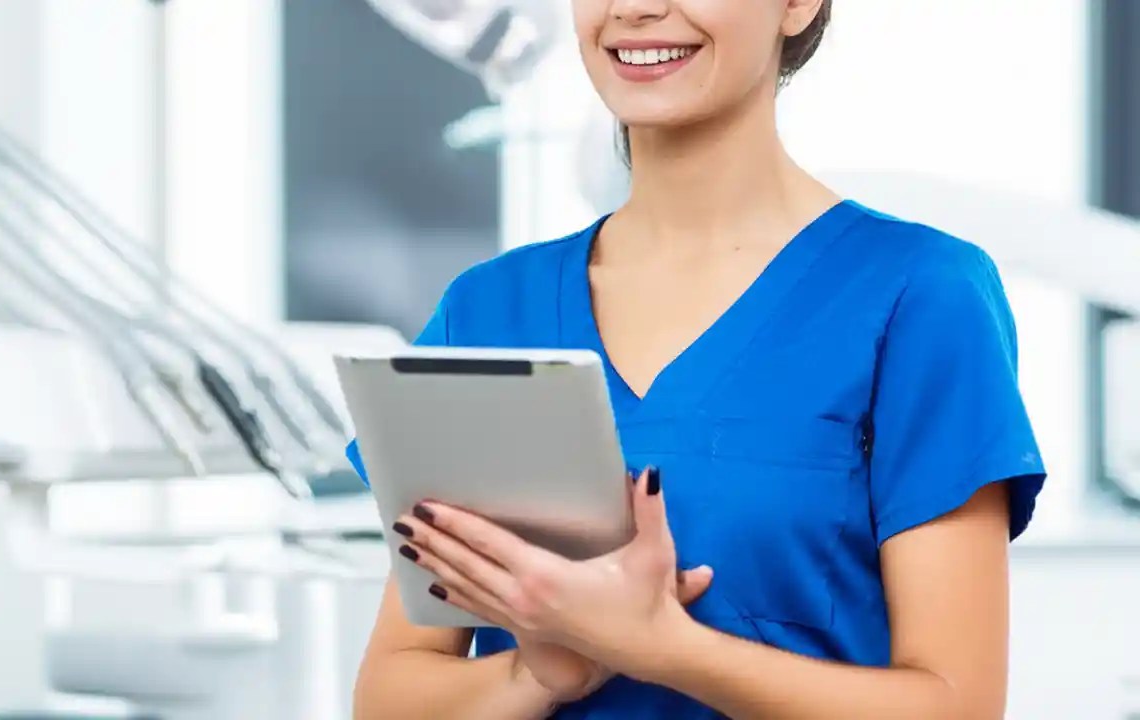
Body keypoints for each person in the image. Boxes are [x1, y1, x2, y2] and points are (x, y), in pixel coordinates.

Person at [348, 1, 1047, 718]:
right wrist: (543, 671)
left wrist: (662, 648)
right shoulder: (488, 313)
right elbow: (392, 696)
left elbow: (956, 706)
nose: (636, 8)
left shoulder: (918, 294)